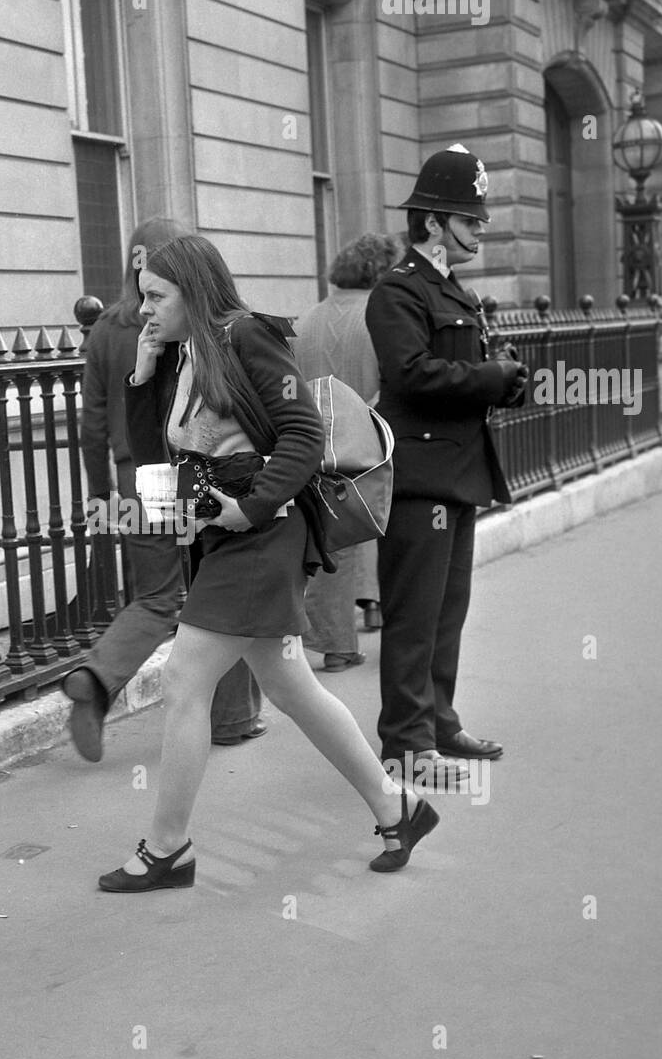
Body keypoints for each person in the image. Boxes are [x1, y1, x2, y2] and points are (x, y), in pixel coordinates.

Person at [97, 234, 437, 892]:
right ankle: (397, 805)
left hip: (261, 535)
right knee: (289, 685)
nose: (144, 309)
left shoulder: (246, 337)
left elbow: (304, 433)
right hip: (223, 537)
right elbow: (154, 459)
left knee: (183, 680)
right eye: (143, 297)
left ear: (193, 291)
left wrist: (250, 508)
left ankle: (167, 849)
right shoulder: (183, 353)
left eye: (156, 296)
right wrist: (141, 378)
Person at [63, 218, 264, 760]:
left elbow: (91, 423)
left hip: (136, 479)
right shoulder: (185, 321)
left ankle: (97, 676)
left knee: (157, 595)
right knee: (218, 588)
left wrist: (101, 494)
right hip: (192, 470)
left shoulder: (105, 328)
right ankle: (232, 717)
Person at [366, 144, 528, 789]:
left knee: (446, 613)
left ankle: (437, 724)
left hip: (456, 473)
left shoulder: (452, 289)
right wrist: (489, 376)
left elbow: (456, 373)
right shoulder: (397, 291)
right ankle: (406, 747)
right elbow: (411, 374)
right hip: (420, 480)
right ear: (432, 222)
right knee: (414, 618)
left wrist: (503, 382)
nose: (480, 230)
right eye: (469, 219)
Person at [293, 232, 400, 670]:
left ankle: (337, 641)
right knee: (377, 519)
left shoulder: (305, 320)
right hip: (372, 435)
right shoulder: (382, 317)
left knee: (330, 536)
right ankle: (369, 614)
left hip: (315, 442)